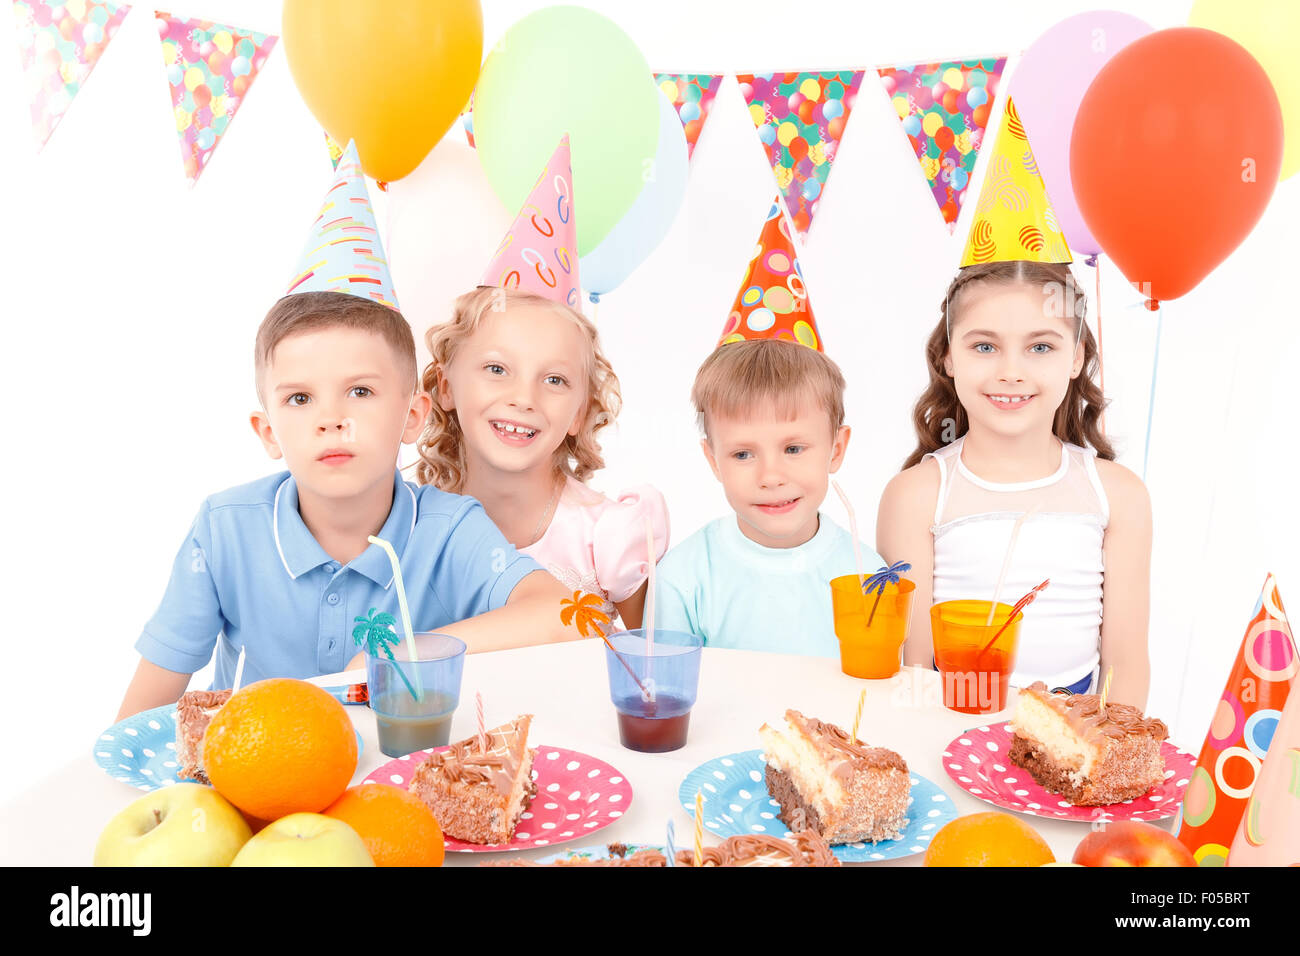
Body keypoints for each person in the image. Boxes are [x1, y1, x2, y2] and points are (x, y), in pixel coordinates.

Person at [117, 146, 580, 720]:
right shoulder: (223, 532)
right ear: (267, 430)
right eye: (300, 398)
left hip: (401, 777)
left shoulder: (449, 530)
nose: (329, 419)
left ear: (413, 415)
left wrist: (408, 655)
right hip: (259, 783)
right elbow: (138, 720)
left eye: (360, 392)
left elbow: (562, 617)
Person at [416, 135, 667, 633]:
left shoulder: (608, 537)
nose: (523, 398)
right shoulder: (413, 525)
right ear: (445, 386)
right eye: (496, 369)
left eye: (554, 379)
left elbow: (649, 670)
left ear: (579, 412)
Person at [877, 260, 1152, 707]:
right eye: (984, 347)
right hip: (948, 721)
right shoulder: (915, 495)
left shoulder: (1119, 495)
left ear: (1077, 356)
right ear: (948, 355)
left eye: (1040, 347)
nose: (1011, 371)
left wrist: (1103, 756)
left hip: (1074, 735)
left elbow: (1126, 664)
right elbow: (912, 667)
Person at [654, 202, 883, 655]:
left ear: (837, 448)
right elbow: (667, 696)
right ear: (712, 459)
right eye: (743, 454)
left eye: (794, 448)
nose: (771, 475)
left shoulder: (868, 575)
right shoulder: (683, 577)